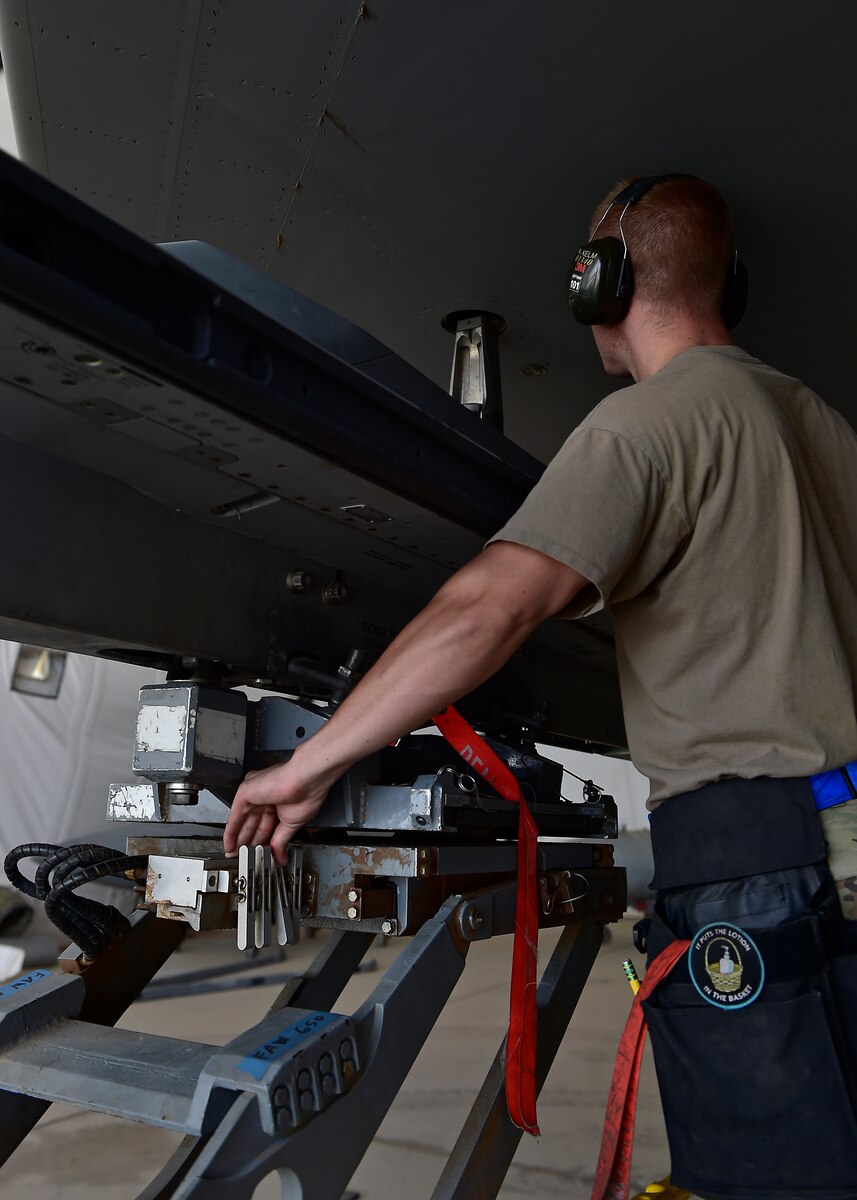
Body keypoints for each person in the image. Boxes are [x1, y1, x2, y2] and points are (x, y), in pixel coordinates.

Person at [224, 175, 857, 1199]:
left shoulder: (647, 424)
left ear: (597, 281)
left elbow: (489, 610)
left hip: (753, 874)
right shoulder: (819, 424)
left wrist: (310, 762)